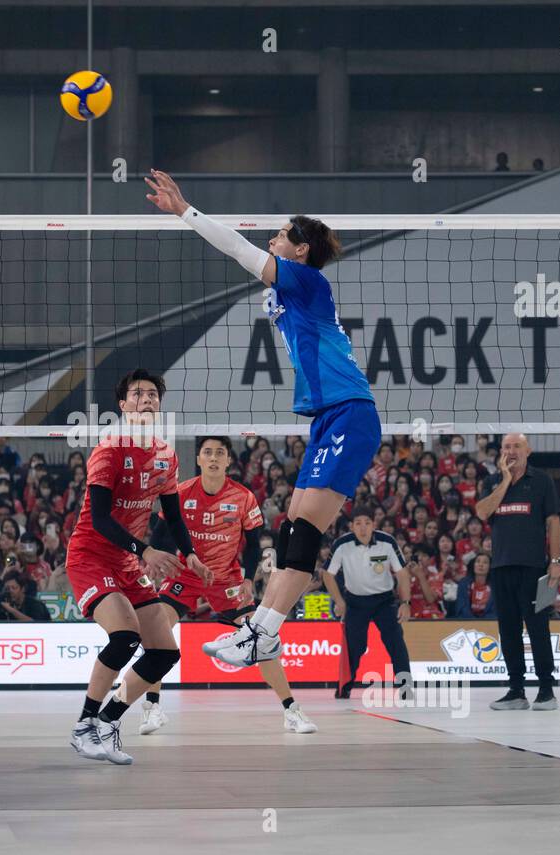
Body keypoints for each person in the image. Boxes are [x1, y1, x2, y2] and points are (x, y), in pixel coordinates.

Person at [144, 169, 382, 669]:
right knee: (294, 526)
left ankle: (263, 632)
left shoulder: (306, 277)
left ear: (298, 251)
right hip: (328, 418)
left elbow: (239, 251)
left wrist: (185, 210)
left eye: (281, 236)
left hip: (350, 414)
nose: (271, 240)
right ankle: (262, 630)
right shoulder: (292, 286)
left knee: (306, 531)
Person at [64, 369, 210, 765]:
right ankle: (83, 727)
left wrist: (190, 553)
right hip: (91, 557)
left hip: (128, 562)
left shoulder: (166, 453)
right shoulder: (108, 450)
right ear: (124, 406)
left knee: (164, 653)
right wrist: (146, 552)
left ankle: (108, 722)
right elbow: (99, 519)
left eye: (152, 394)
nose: (147, 399)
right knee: (125, 637)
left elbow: (174, 516)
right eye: (138, 394)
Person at [143, 436, 315, 735]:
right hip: (185, 575)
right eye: (207, 452)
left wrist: (248, 577)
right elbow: (158, 537)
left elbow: (253, 543)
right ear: (198, 459)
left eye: (219, 453)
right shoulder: (181, 492)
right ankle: (152, 707)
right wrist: (165, 562)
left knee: (261, 639)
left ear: (228, 461)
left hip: (227, 580)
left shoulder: (243, 496)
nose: (212, 458)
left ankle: (291, 710)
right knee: (158, 631)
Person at [475, 432, 560, 711]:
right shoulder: (492, 481)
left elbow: (554, 522)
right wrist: (503, 480)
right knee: (508, 630)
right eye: (506, 447)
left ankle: (547, 690)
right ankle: (516, 691)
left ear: (528, 450)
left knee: (538, 628)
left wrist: (557, 561)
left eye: (516, 446)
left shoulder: (542, 481)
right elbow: (482, 513)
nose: (511, 451)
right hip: (501, 566)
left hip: (535, 567)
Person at [323, 505, 413, 700]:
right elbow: (327, 574)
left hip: (384, 601)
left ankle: (406, 687)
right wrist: (339, 601)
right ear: (351, 526)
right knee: (354, 646)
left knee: (396, 642)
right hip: (355, 602)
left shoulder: (387, 542)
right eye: (358, 523)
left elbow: (402, 573)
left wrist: (406, 602)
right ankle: (344, 687)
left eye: (367, 523)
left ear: (374, 524)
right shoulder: (342, 545)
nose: (363, 528)